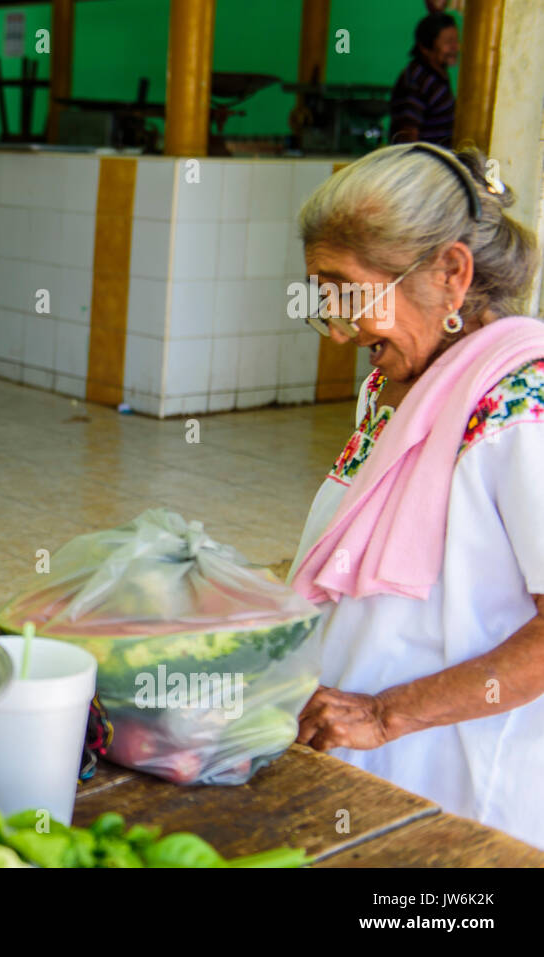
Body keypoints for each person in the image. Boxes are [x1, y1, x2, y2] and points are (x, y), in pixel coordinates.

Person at [288, 143, 544, 849]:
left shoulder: (524, 408)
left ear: (451, 273)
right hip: (368, 776)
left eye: (348, 290)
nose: (338, 329)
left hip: (462, 787)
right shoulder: (398, 383)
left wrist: (384, 714)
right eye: (323, 297)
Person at [389, 12, 459, 146]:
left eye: (456, 41)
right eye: (448, 42)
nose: (456, 47)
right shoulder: (416, 80)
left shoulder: (438, 75)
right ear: (425, 48)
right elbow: (407, 136)